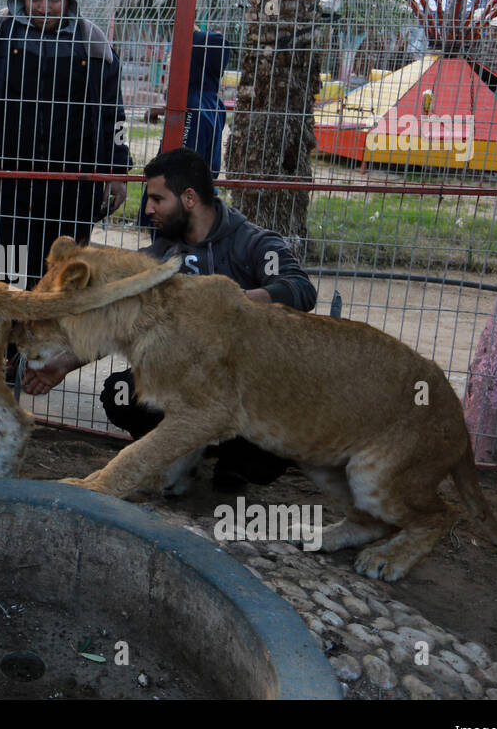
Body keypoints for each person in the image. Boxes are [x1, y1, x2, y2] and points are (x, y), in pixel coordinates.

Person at [23, 147, 317, 491]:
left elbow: (300, 289)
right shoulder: (161, 253)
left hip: (242, 379)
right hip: (187, 378)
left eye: (157, 199)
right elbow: (120, 320)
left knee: (253, 463)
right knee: (119, 392)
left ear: (189, 198)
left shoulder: (252, 242)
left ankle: (229, 458)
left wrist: (225, 305)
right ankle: (181, 449)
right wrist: (64, 364)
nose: (147, 209)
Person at [0, 0, 130, 286]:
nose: (44, 7)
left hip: (70, 188)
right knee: (7, 279)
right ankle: (10, 341)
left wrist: (117, 169)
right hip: (7, 183)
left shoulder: (92, 43)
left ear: (68, 0)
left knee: (63, 282)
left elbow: (115, 113)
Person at [138, 29, 232, 228]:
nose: (173, 63)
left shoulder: (190, 103)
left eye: (181, 55)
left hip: (178, 209)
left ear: (193, 63)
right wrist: (164, 111)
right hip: (199, 199)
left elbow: (181, 159)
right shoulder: (213, 101)